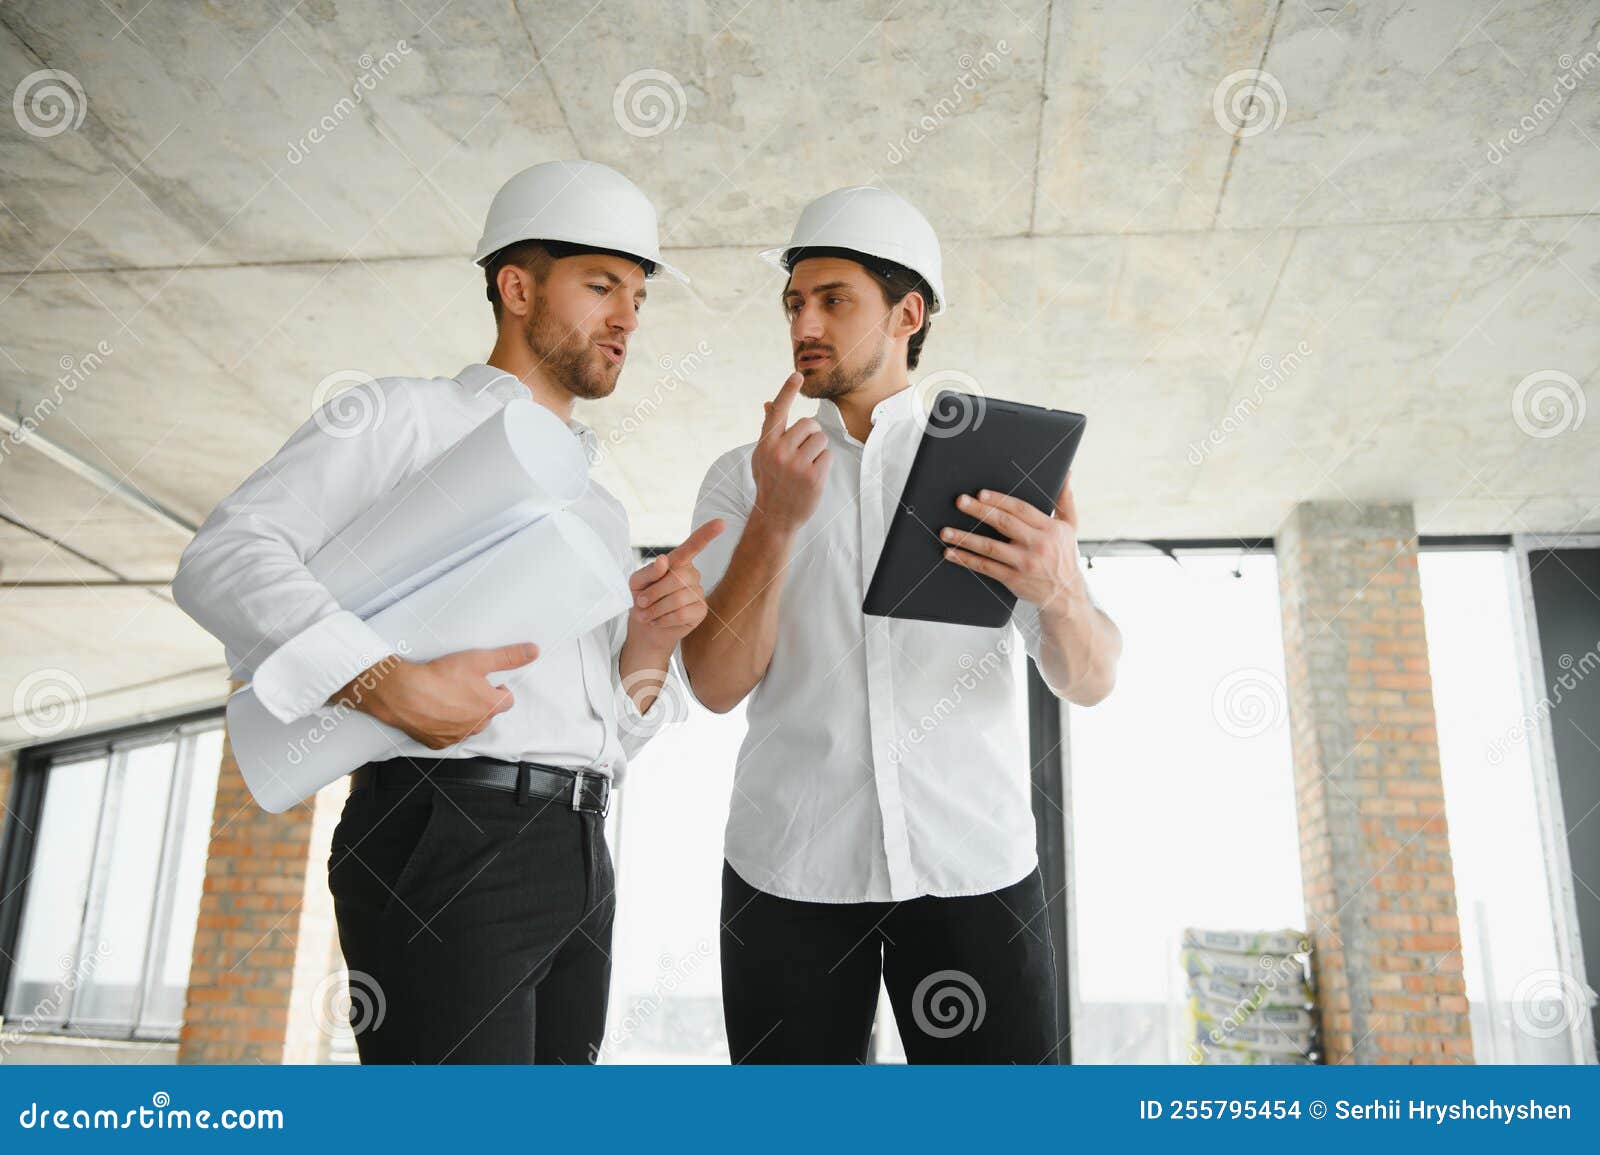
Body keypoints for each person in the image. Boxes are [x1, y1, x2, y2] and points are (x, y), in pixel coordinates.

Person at [173, 160, 720, 1064]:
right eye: (599, 286)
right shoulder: (400, 418)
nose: (627, 318)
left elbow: (609, 733)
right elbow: (223, 558)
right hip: (442, 834)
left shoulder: (600, 507)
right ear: (516, 287)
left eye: (637, 295)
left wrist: (653, 645)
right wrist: (381, 682)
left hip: (581, 845)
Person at [678, 185, 1122, 1064]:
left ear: (907, 313)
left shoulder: (1000, 465)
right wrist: (775, 521)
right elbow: (716, 684)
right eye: (794, 302)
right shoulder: (744, 477)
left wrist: (1058, 591)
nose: (804, 321)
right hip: (787, 870)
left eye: (833, 300)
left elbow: (1092, 677)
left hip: (973, 866)